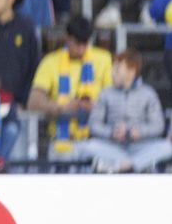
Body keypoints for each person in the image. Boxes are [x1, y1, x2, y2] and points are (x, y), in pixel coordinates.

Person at [27, 15, 113, 159]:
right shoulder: (50, 62)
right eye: (76, 44)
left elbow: (114, 98)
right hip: (60, 142)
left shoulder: (104, 59)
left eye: (84, 44)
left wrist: (96, 107)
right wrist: (61, 108)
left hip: (95, 140)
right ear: (67, 38)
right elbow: (33, 102)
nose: (80, 49)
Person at [74, 50, 172, 172]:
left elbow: (158, 126)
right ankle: (135, 164)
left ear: (130, 72)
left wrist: (139, 132)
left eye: (116, 69)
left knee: (167, 147)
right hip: (113, 146)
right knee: (84, 147)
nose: (111, 73)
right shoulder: (105, 93)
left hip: (141, 146)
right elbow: (94, 124)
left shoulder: (148, 93)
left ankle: (123, 165)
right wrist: (111, 132)